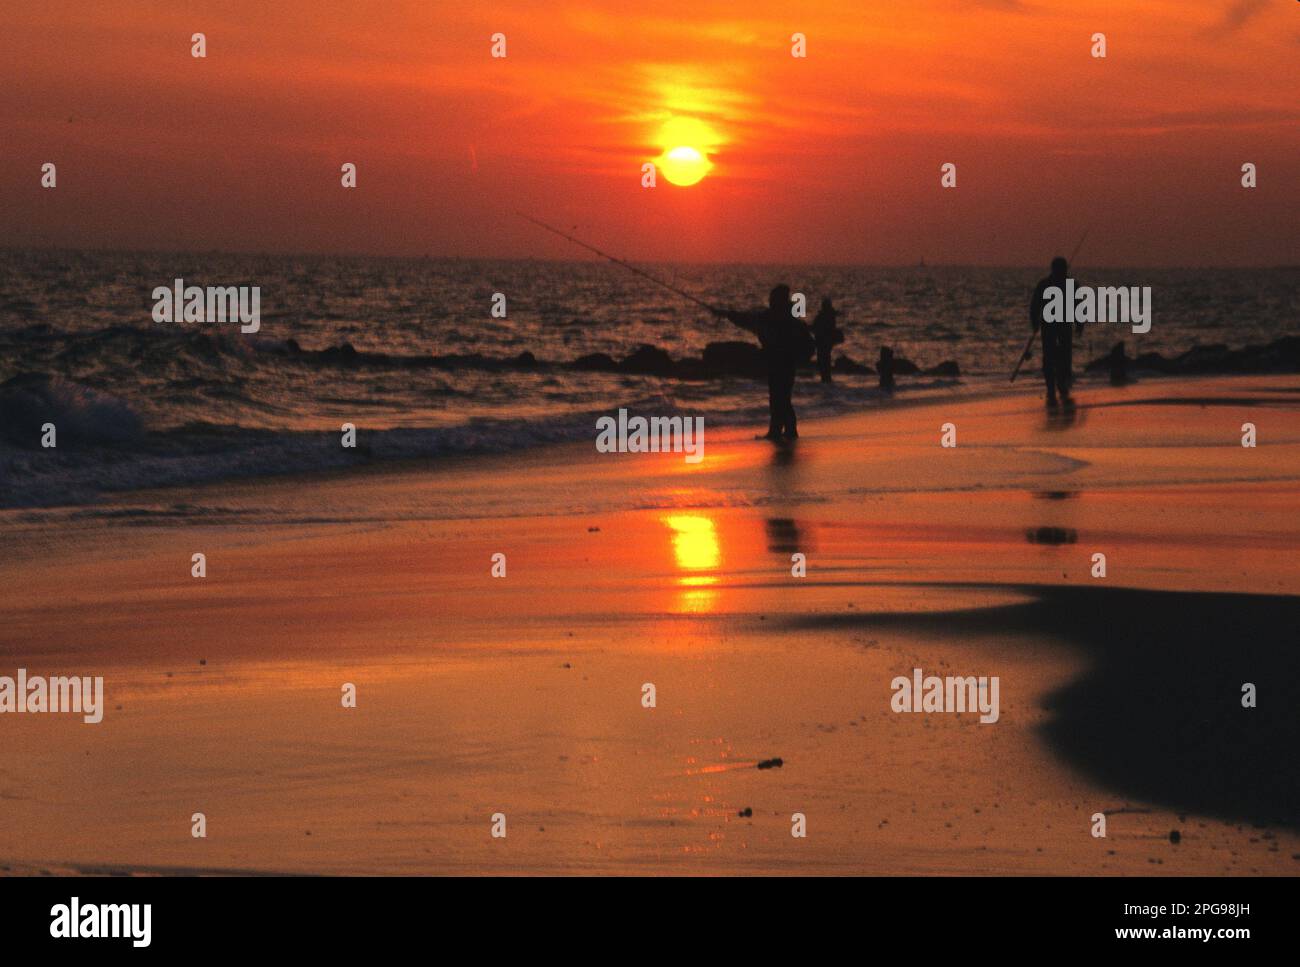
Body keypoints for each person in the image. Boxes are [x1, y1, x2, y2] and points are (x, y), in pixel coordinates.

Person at [714, 285, 809, 440]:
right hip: (784, 363)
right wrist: (727, 314)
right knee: (781, 397)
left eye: (772, 298)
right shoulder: (786, 318)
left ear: (777, 300)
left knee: (780, 398)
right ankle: (782, 430)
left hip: (780, 362)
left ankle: (783, 431)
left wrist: (727, 315)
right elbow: (747, 319)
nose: (770, 300)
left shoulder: (774, 318)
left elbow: (748, 320)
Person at [1029, 256, 1082, 408]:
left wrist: (1079, 323)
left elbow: (1078, 306)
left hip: (1061, 325)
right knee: (1053, 357)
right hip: (1051, 325)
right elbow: (1035, 305)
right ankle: (1053, 386)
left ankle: (1058, 385)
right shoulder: (1048, 284)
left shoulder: (1050, 284)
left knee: (1061, 356)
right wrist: (1034, 322)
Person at [811, 297, 842, 383]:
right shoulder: (830, 315)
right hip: (827, 341)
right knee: (825, 359)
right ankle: (826, 378)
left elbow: (815, 327)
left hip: (823, 341)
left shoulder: (824, 316)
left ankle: (825, 378)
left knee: (823, 359)